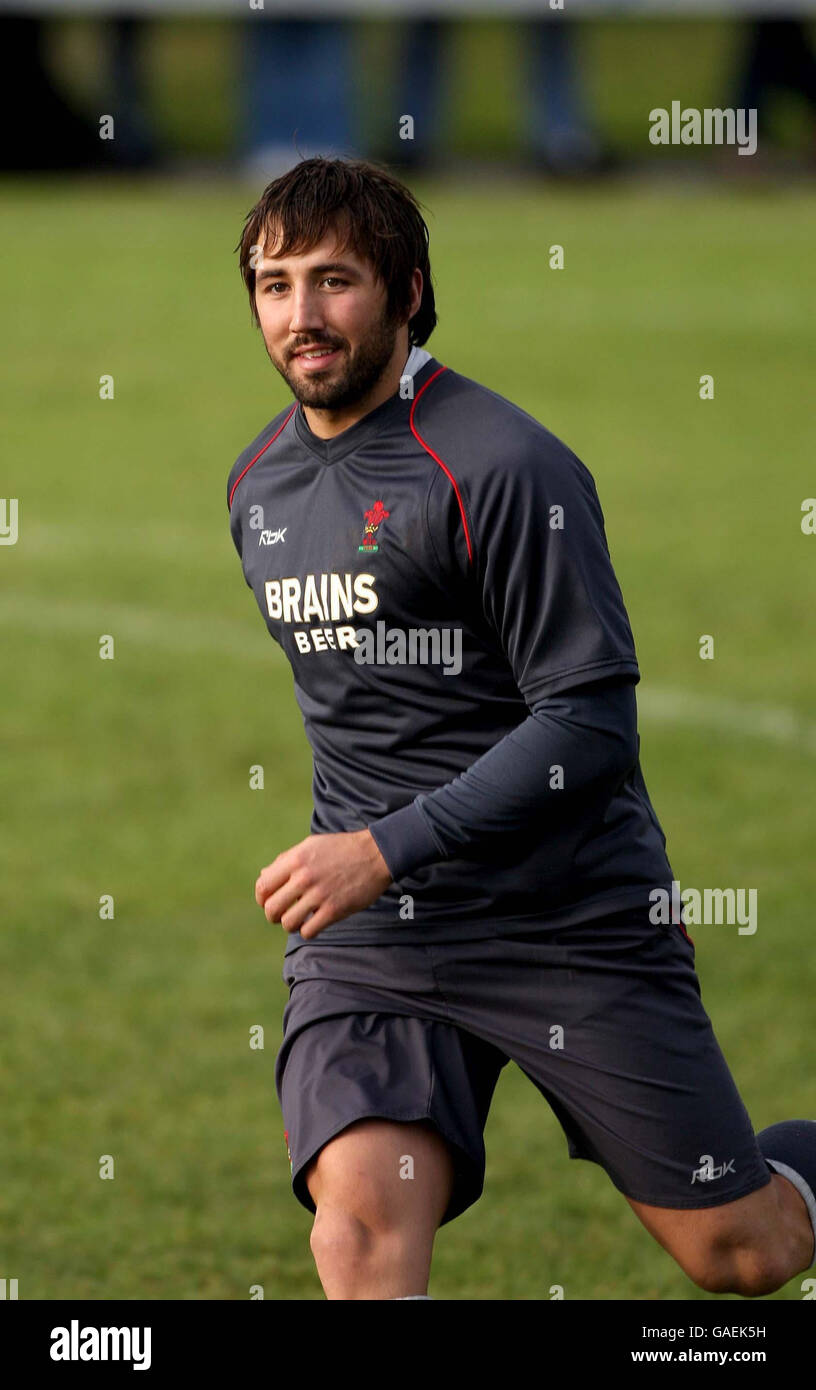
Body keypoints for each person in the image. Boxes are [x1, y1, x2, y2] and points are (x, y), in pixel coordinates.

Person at [227, 157, 816, 1301]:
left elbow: (588, 720)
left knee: (745, 1256)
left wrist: (392, 843)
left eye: (335, 280)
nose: (301, 315)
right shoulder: (257, 485)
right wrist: (372, 861)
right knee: (357, 1227)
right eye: (274, 283)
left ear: (405, 288)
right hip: (376, 940)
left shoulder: (506, 466)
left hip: (566, 917)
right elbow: (367, 716)